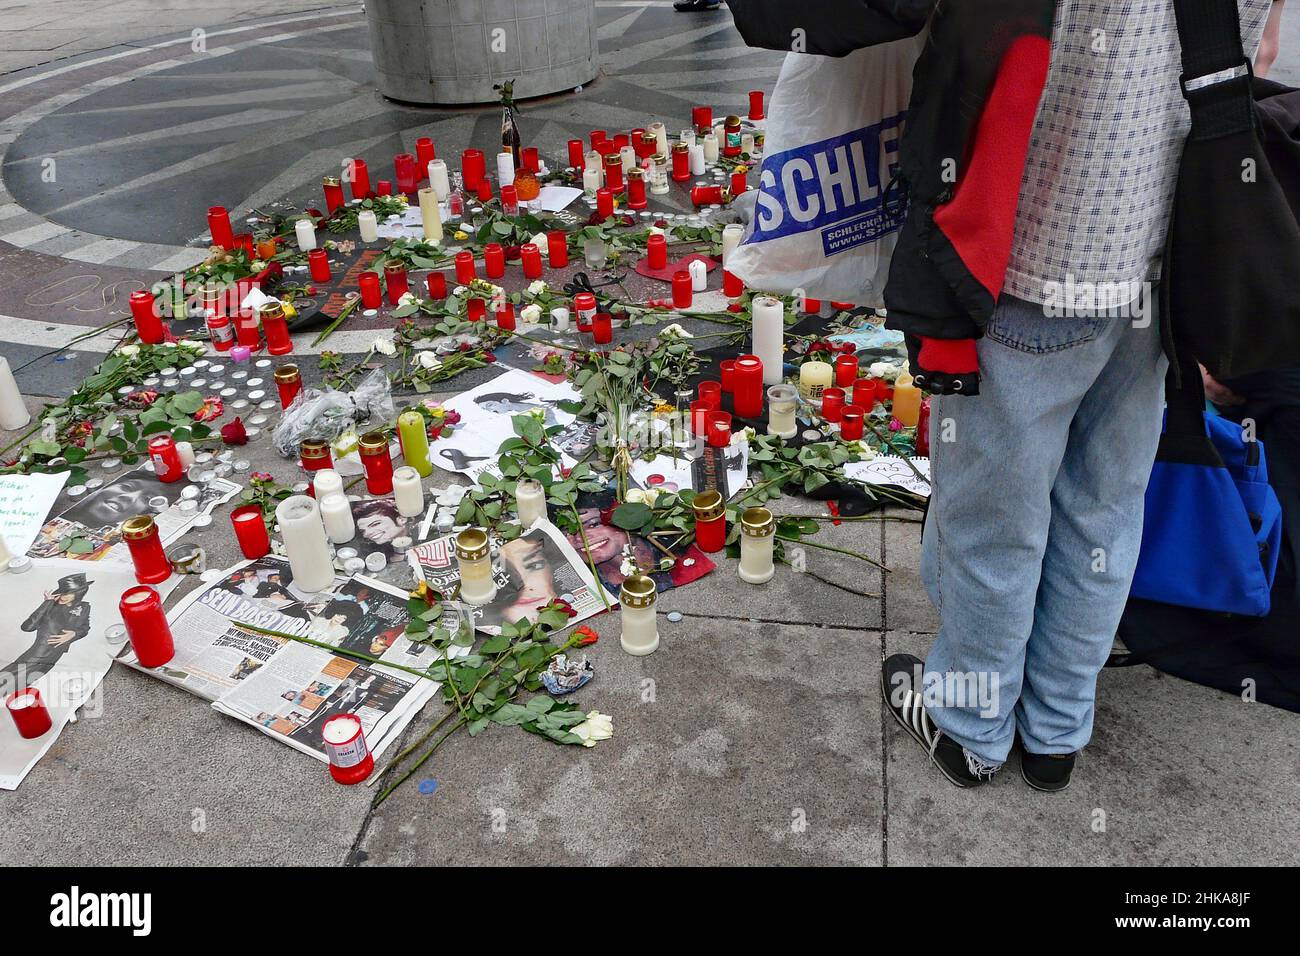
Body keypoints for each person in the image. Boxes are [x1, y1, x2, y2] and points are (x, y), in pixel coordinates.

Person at [730, 0, 1274, 792]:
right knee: (1105, 508)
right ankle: (1056, 731)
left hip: (1027, 257)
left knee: (994, 524)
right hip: (1162, 262)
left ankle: (972, 727)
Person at [4, 573, 93, 687]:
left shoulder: (84, 607)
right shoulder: (50, 606)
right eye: (62, 593)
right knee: (9, 677)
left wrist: (74, 634)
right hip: (37, 654)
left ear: (79, 593)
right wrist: (46, 603)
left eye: (69, 593)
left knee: (24, 684)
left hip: (55, 655)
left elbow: (85, 627)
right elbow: (27, 627)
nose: (63, 597)